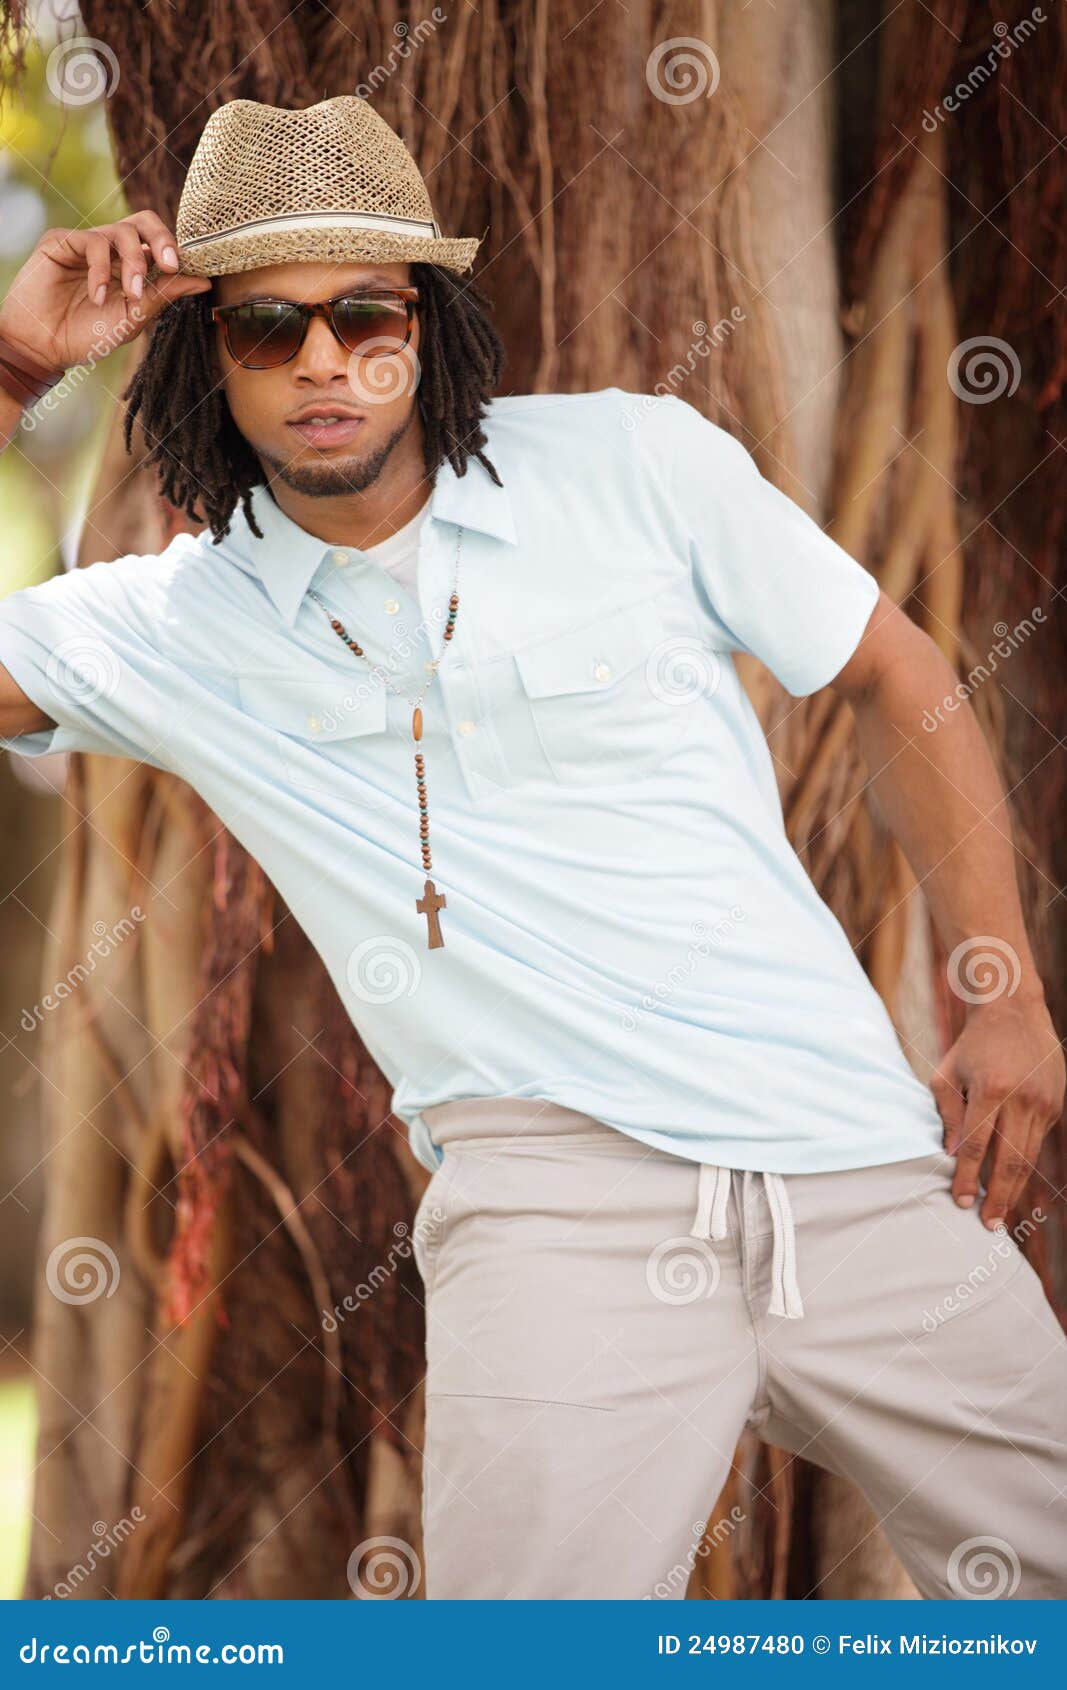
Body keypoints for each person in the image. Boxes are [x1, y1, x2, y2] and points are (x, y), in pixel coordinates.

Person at [0, 95, 1064, 1601]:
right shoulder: (182, 623)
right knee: (525, 1655)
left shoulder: (638, 463)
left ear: (424, 325)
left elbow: (896, 675)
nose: (321, 359)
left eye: (363, 311)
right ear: (204, 357)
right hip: (554, 1220)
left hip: (859, 1161)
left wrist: (1002, 991)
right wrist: (17, 362)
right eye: (266, 328)